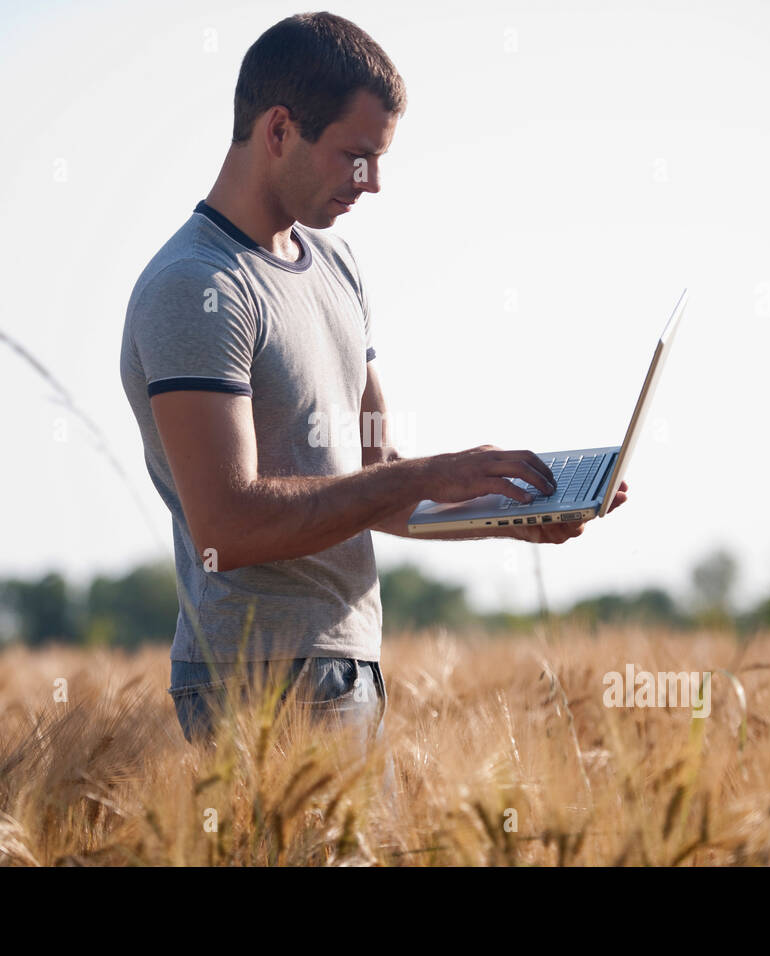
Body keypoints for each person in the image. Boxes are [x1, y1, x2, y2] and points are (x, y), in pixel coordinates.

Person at [119, 13, 628, 770]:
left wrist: (514, 509)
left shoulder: (337, 266)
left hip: (348, 664)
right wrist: (423, 474)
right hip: (255, 681)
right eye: (356, 157)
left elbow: (374, 474)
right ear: (281, 130)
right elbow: (228, 528)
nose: (375, 182)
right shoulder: (197, 288)